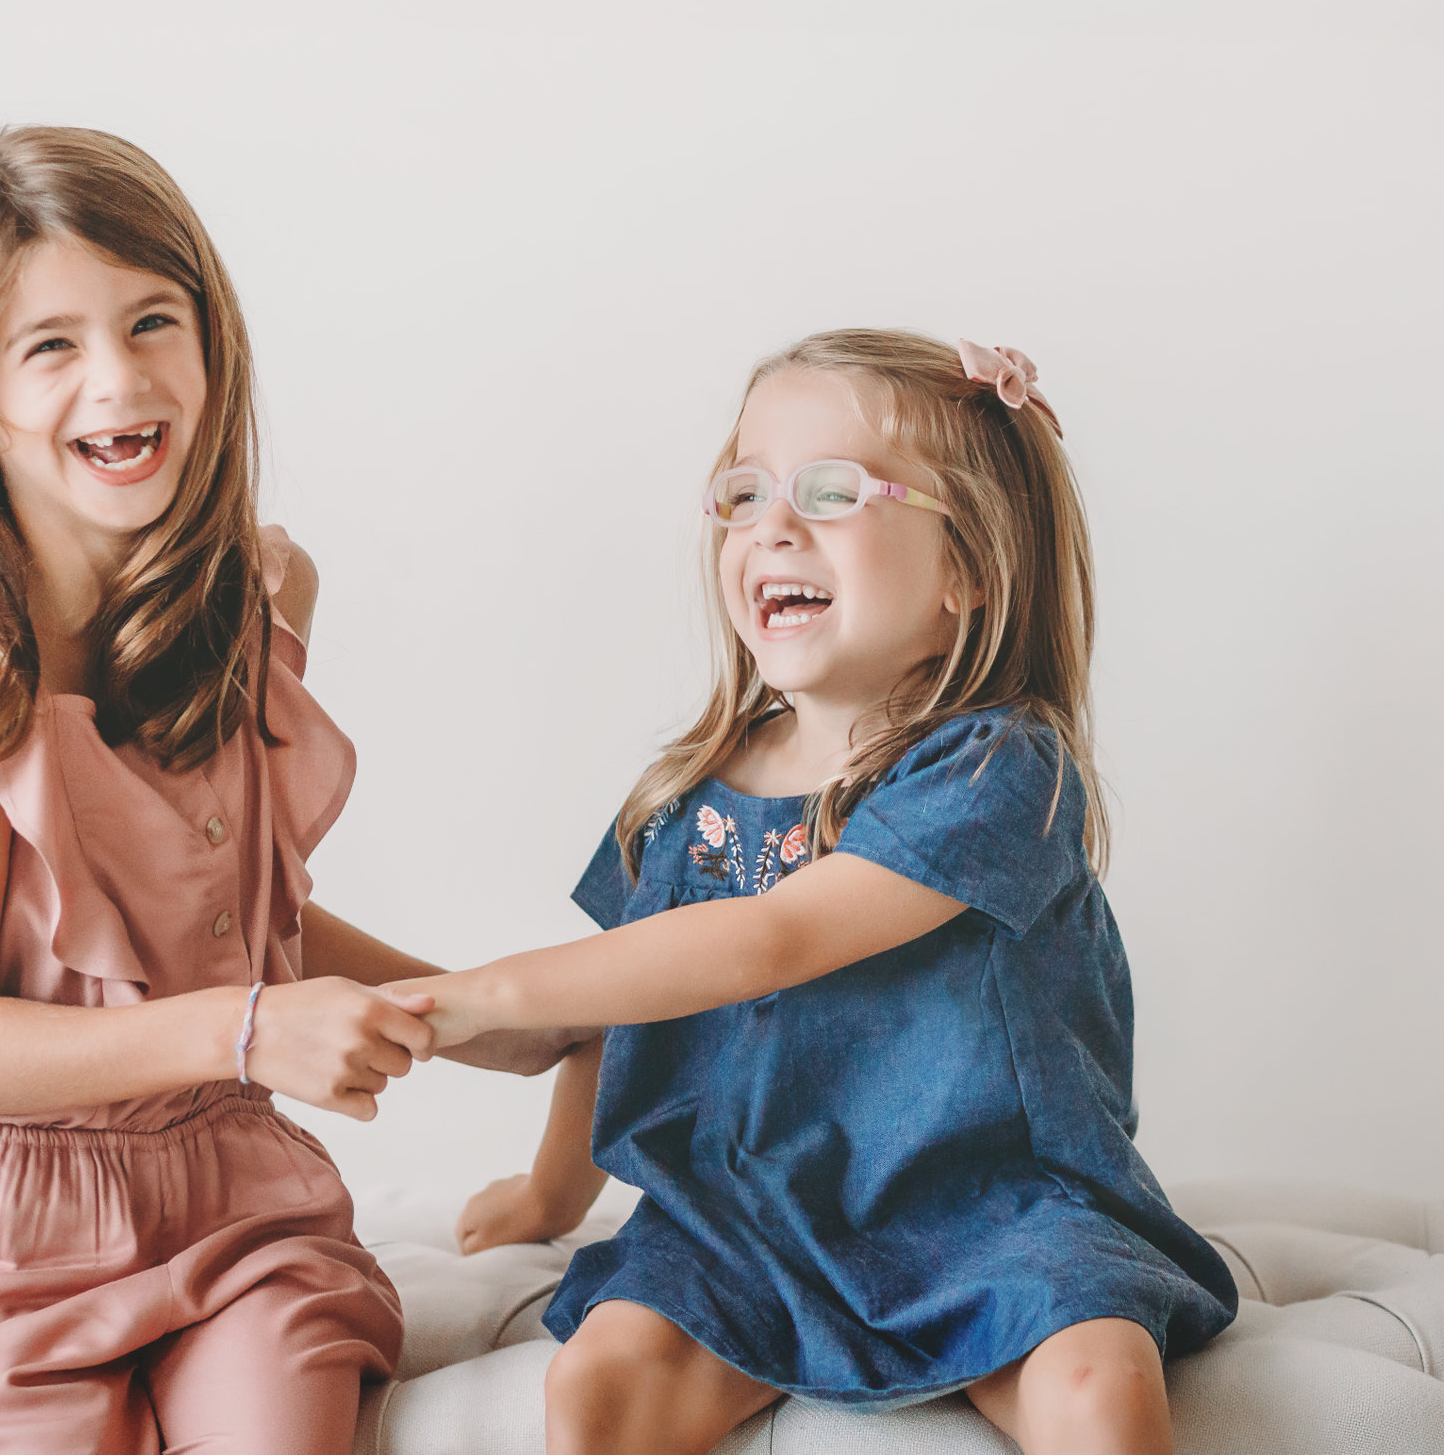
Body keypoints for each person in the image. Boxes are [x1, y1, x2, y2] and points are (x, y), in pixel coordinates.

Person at [0, 127, 573, 1455]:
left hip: (246, 1214)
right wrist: (245, 1029)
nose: (119, 378)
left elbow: (227, 933)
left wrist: (491, 1016)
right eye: (49, 344)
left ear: (209, 340)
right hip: (12, 1242)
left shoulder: (262, 593)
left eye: (150, 321)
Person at [388, 329, 1237, 1455]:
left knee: (1095, 1376)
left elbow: (773, 937)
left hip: (992, 1210)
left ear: (970, 569)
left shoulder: (997, 767)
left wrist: (478, 994)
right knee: (597, 1382)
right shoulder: (686, 791)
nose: (772, 526)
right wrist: (551, 1195)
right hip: (747, 1218)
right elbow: (624, 1008)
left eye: (832, 492)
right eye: (745, 493)